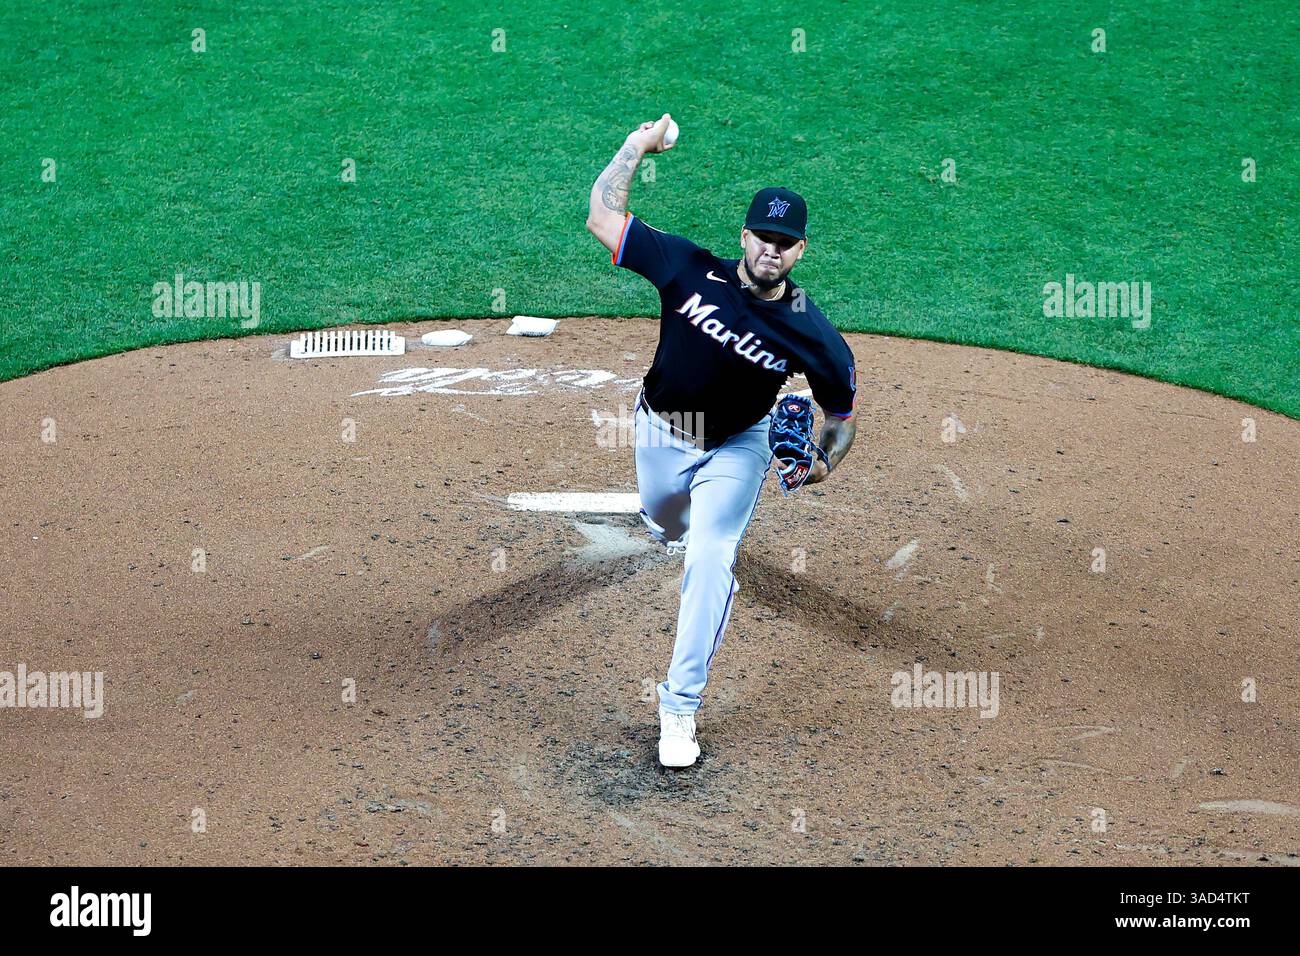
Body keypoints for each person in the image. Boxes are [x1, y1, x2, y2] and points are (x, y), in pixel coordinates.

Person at [586, 113, 858, 767]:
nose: (772, 248)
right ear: (744, 236)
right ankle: (676, 521)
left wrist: (821, 464)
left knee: (708, 559)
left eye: (786, 242)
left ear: (801, 251)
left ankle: (678, 712)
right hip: (659, 432)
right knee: (666, 522)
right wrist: (635, 146)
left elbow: (840, 418)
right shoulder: (686, 268)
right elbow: (601, 216)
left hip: (739, 446)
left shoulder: (812, 334)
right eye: (763, 236)